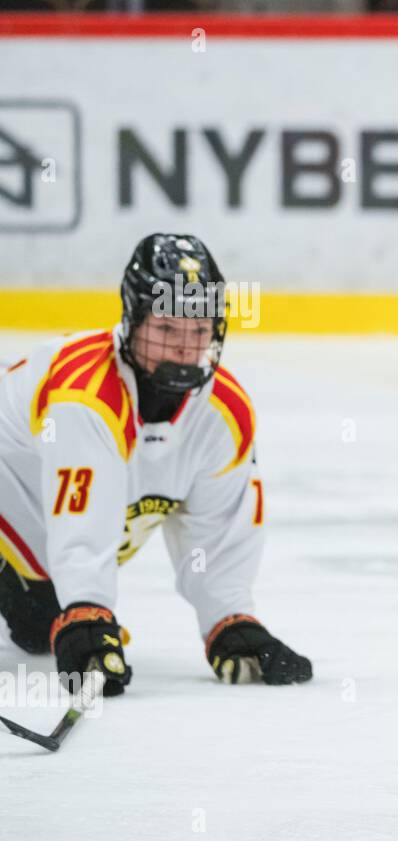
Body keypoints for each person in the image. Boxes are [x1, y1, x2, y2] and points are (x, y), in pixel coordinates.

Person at [0, 233, 312, 697]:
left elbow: (216, 529)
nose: (186, 347)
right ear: (133, 321)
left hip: (34, 532)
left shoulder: (224, 414)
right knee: (59, 617)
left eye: (199, 331)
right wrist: (87, 607)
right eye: (167, 329)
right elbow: (84, 518)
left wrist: (227, 619)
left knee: (39, 621)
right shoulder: (85, 392)